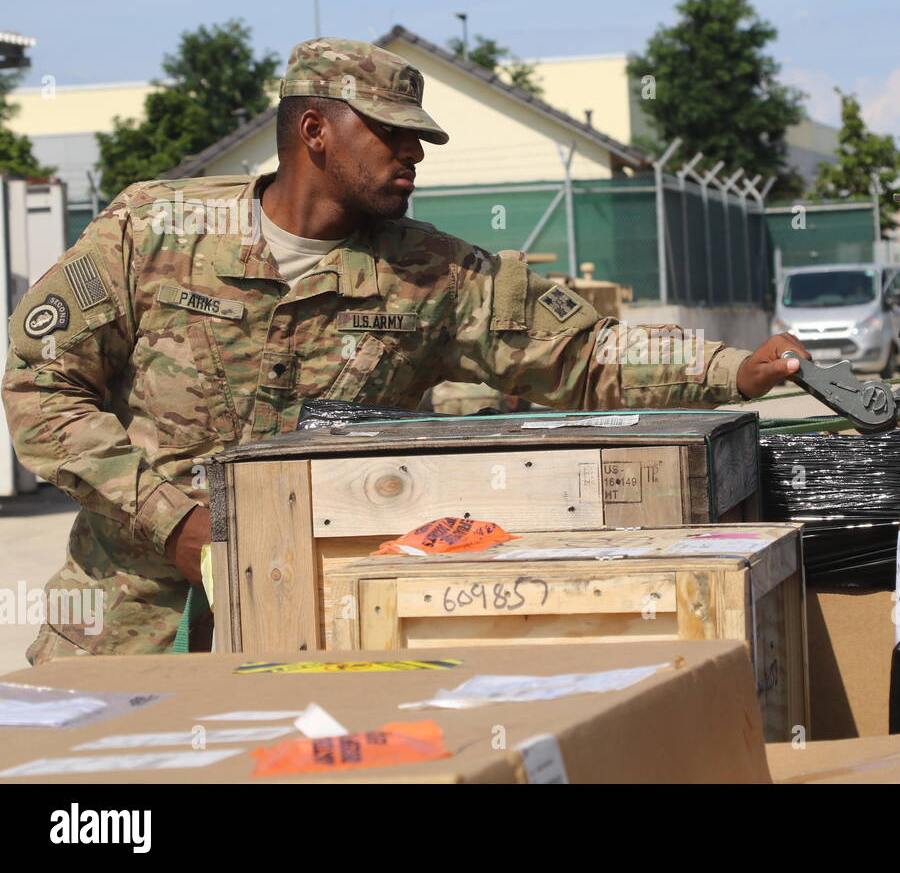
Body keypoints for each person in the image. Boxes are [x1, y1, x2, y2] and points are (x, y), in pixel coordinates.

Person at [2, 37, 810, 663]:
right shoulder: (155, 229)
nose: (414, 155)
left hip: (329, 628)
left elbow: (583, 355)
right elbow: (40, 389)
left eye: (417, 139)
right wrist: (174, 522)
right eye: (391, 134)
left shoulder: (436, 275)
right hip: (131, 625)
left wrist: (728, 369)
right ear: (314, 130)